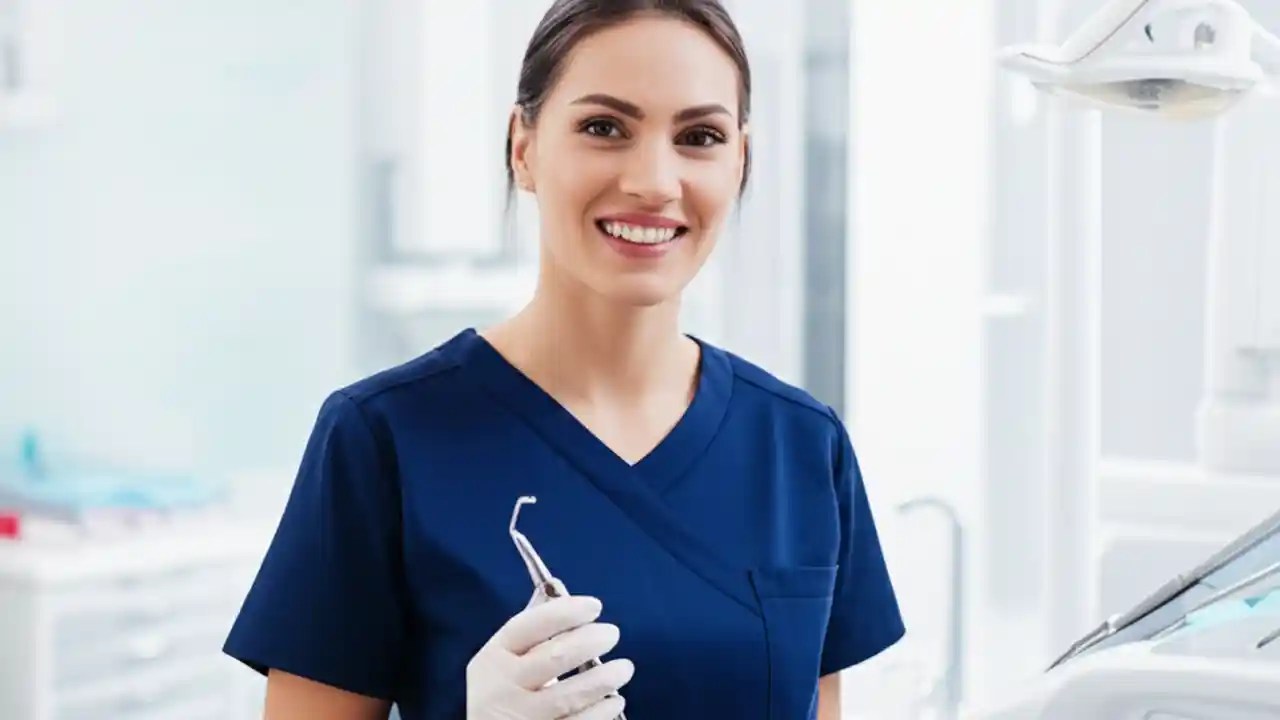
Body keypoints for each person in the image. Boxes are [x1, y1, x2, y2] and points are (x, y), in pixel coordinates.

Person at [222, 1, 905, 718]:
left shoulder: (800, 446)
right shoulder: (384, 439)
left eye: (699, 136)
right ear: (524, 147)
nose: (654, 181)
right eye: (604, 128)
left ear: (741, 159)